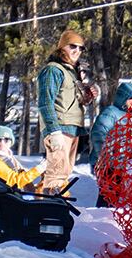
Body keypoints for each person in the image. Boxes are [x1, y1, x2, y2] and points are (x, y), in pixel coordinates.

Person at [35, 29, 98, 197]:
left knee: (63, 173)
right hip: (59, 128)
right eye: (72, 46)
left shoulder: (72, 72)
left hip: (72, 128)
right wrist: (53, 130)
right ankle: (49, 205)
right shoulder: (53, 70)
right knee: (56, 174)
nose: (77, 51)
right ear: (62, 47)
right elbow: (45, 102)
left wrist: (88, 95)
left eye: (80, 48)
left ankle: (54, 202)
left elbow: (73, 101)